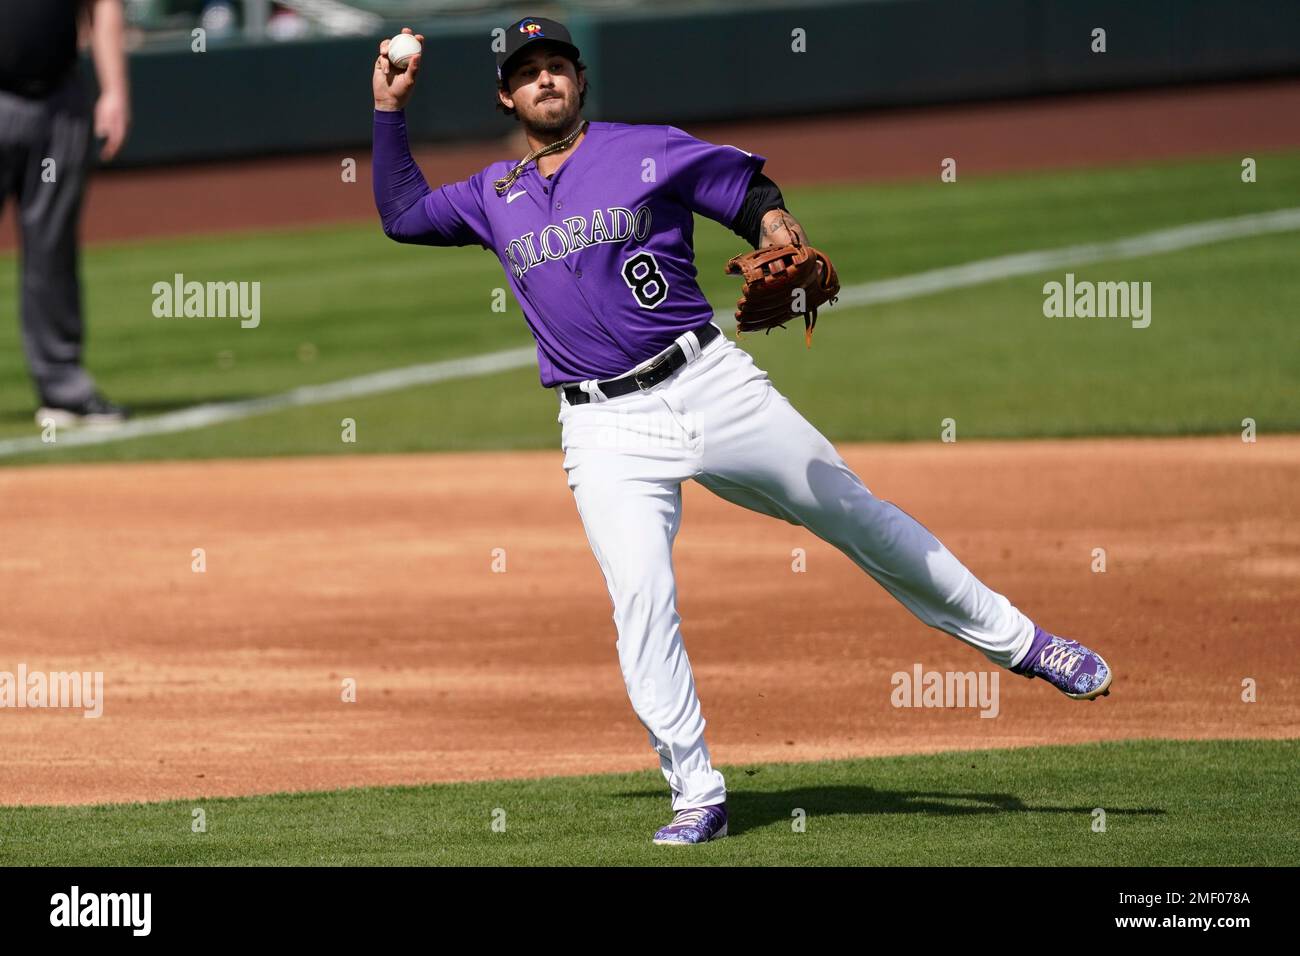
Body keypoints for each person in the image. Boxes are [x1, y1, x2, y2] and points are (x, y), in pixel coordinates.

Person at [371, 17, 1113, 846]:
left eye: (557, 66)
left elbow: (745, 191)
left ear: (580, 81)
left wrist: (771, 226)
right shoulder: (490, 195)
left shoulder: (644, 149)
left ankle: (1026, 644)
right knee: (641, 601)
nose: (544, 80)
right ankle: (698, 795)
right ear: (506, 95)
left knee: (850, 511)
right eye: (527, 72)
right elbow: (401, 212)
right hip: (604, 427)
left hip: (709, 383)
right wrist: (389, 109)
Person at [0, 0, 130, 426]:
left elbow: (104, 4)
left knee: (52, 250)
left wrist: (114, 91)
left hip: (58, 98)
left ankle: (63, 390)